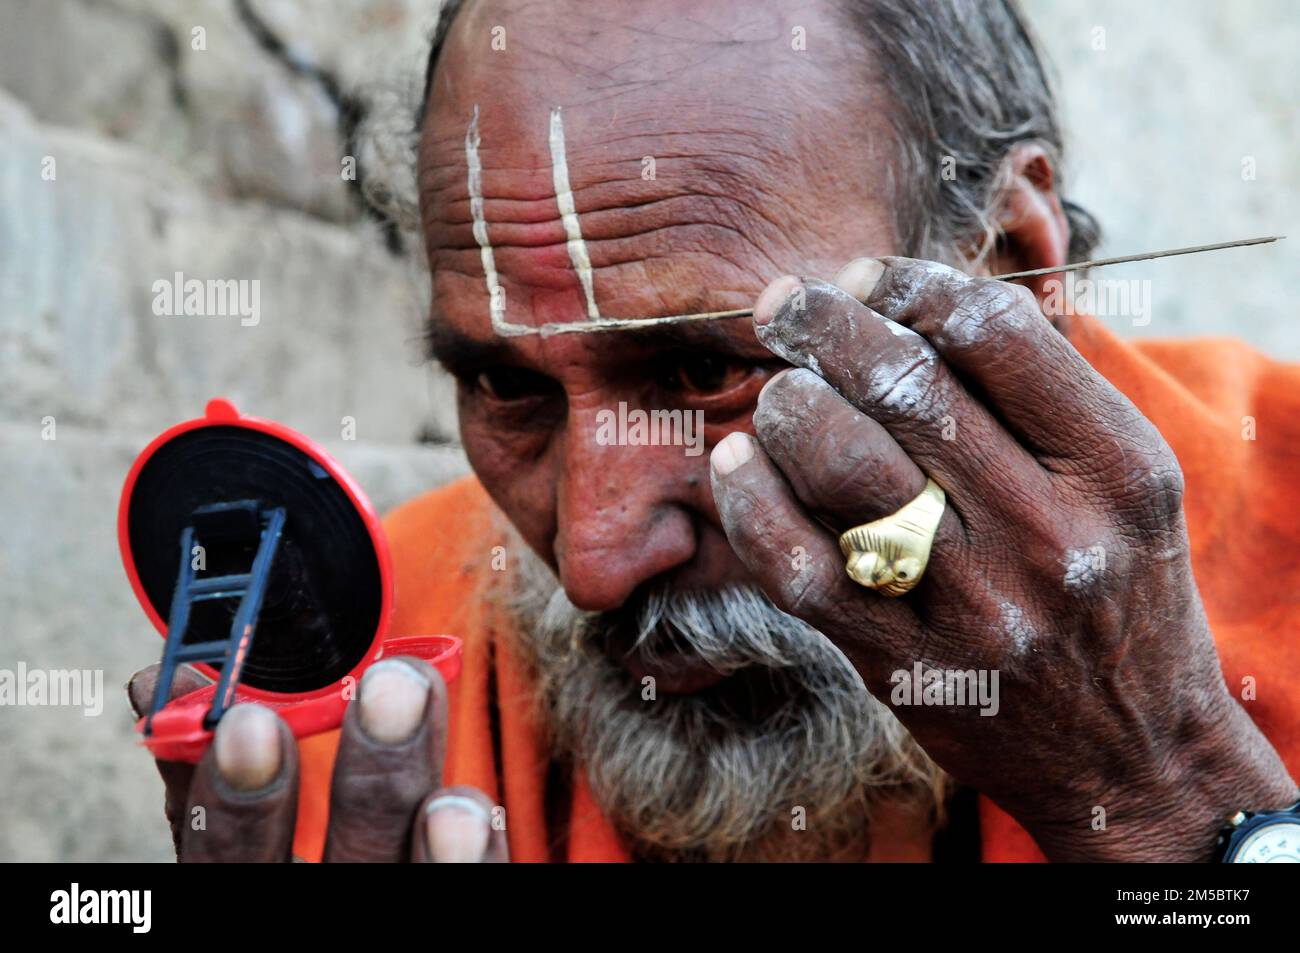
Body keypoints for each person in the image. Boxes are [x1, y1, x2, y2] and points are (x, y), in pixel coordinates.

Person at [128, 0, 1300, 862]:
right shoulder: (398, 677)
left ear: (1011, 273)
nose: (592, 560)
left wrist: (1175, 800)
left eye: (702, 368)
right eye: (506, 387)